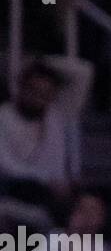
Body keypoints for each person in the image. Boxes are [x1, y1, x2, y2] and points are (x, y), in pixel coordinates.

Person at [0, 56, 93, 199]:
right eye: (33, 90)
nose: (37, 98)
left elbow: (83, 72)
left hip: (52, 190)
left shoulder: (56, 114)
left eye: (45, 94)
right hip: (15, 186)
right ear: (21, 87)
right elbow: (6, 165)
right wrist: (46, 180)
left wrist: (40, 62)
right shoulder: (4, 116)